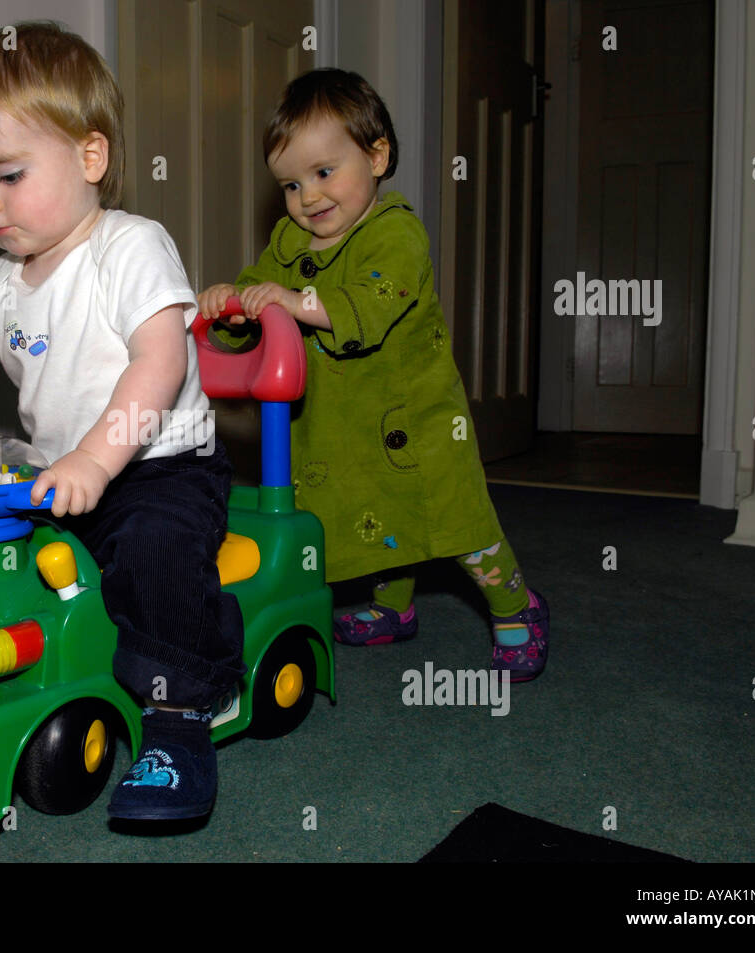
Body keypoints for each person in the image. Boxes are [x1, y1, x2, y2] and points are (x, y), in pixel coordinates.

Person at [0, 21, 242, 820]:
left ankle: (179, 718)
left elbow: (159, 362)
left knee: (150, 547)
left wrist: (99, 461)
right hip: (54, 475)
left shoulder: (130, 248)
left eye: (7, 174)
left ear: (89, 157)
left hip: (156, 465)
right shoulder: (0, 285)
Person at [198, 69, 548, 680]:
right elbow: (257, 297)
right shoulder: (289, 240)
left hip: (415, 423)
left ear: (378, 155)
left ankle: (516, 606)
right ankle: (394, 607)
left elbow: (370, 304)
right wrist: (229, 306)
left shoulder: (397, 233)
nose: (308, 197)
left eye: (324, 173)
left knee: (454, 520)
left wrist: (291, 300)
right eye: (290, 184)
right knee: (367, 511)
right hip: (338, 418)